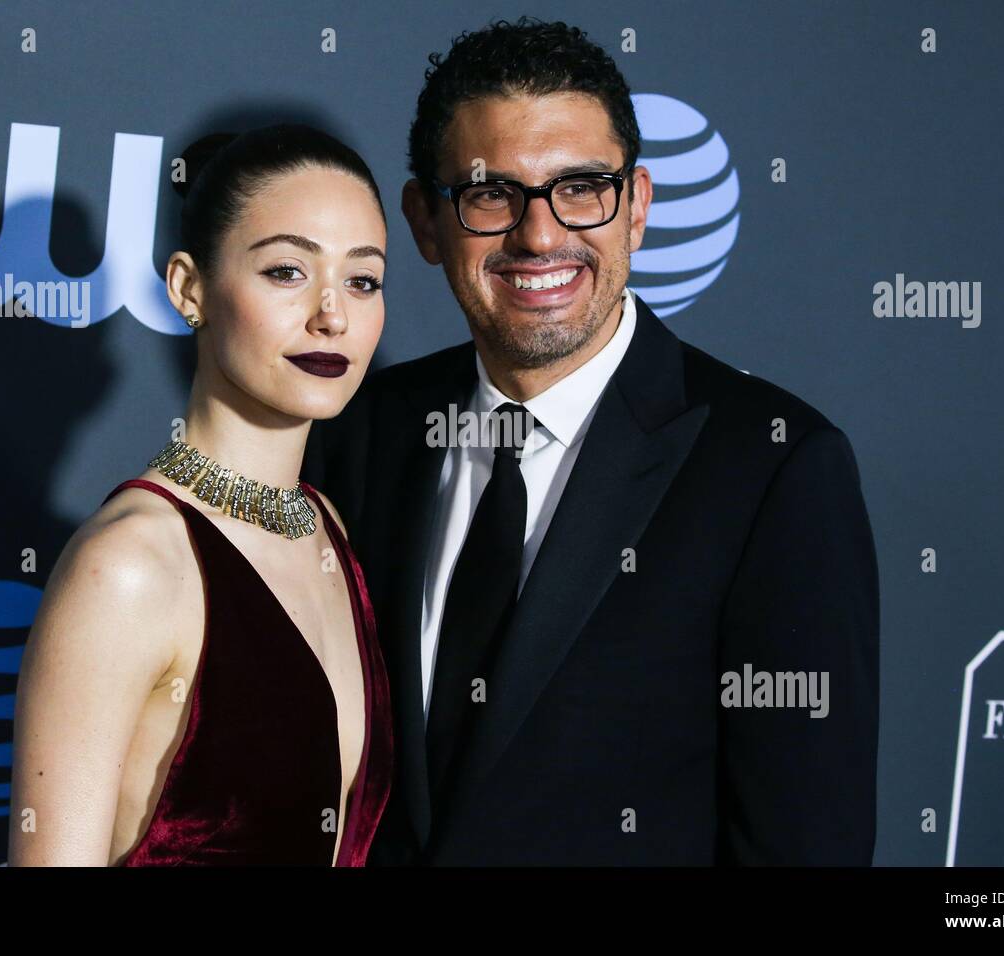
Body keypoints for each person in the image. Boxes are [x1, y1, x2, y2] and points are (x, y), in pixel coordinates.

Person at [302, 17, 880, 865]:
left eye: (581, 187)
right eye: (490, 193)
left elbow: (804, 844)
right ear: (426, 222)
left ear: (637, 206)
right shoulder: (360, 430)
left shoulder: (774, 469)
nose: (540, 236)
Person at [9, 124, 392, 866]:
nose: (332, 315)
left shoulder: (326, 530)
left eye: (363, 280)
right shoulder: (128, 567)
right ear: (190, 288)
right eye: (287, 271)